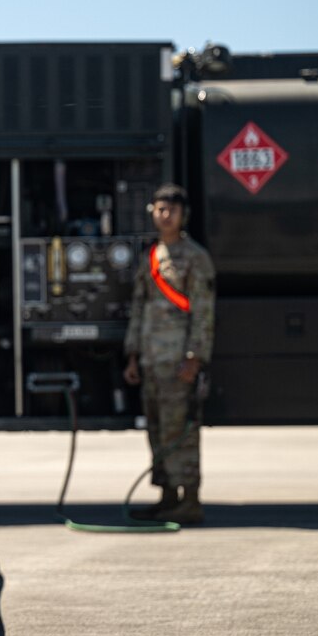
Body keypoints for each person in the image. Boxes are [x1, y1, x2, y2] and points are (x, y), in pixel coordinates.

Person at [123, 184, 215, 525]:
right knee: (158, 431)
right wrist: (132, 355)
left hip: (178, 361)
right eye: (160, 209)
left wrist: (194, 357)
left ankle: (189, 498)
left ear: (183, 214)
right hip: (151, 360)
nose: (165, 216)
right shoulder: (151, 257)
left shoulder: (195, 258)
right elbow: (140, 308)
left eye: (171, 210)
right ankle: (167, 496)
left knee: (181, 432)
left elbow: (203, 312)